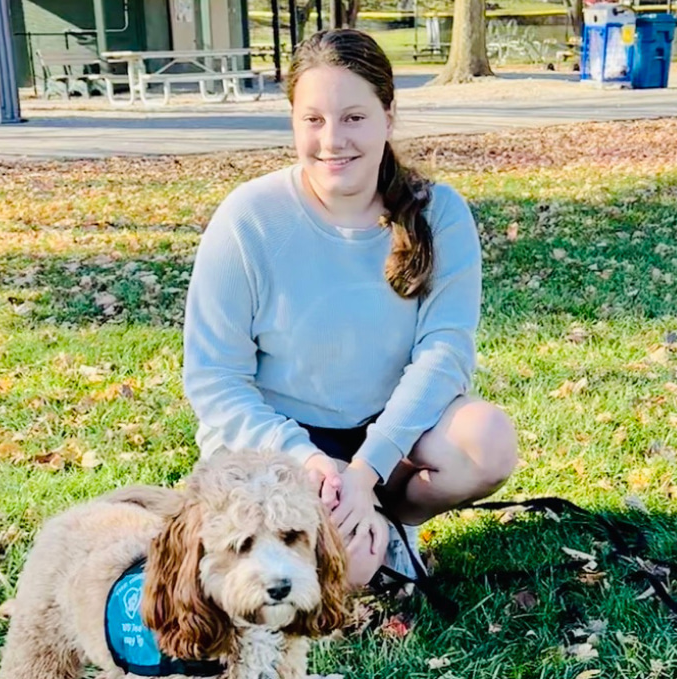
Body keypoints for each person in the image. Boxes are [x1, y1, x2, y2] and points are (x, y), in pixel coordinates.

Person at [183, 28, 517, 590]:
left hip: (386, 433)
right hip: (278, 443)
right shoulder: (249, 218)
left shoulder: (441, 214)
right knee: (351, 566)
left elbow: (444, 354)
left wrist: (367, 469)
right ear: (293, 120)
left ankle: (396, 523)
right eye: (313, 119)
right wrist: (309, 461)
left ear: (389, 115)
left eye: (354, 117)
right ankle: (370, 538)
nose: (333, 139)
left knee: (486, 441)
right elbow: (215, 380)